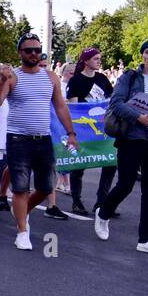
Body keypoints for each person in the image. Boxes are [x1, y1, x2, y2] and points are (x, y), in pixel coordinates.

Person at [0, 33, 79, 251]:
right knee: (20, 188)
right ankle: (22, 231)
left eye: (37, 50)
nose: (34, 54)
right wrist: (1, 80)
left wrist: (71, 133)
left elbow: (60, 107)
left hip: (43, 139)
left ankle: (21, 210)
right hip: (18, 139)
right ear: (20, 53)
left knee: (46, 187)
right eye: (28, 50)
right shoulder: (12, 76)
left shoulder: (51, 78)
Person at [93, 38, 148, 255]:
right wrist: (138, 117)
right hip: (132, 137)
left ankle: (145, 239)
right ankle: (104, 212)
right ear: (143, 55)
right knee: (126, 183)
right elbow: (116, 103)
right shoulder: (129, 77)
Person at [64, 47, 117, 217]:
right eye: (95, 58)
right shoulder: (76, 80)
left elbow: (112, 98)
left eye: (99, 58)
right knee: (79, 165)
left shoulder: (102, 78)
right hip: (84, 128)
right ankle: (76, 201)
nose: (99, 61)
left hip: (102, 129)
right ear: (86, 61)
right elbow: (73, 106)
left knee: (110, 163)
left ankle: (102, 202)